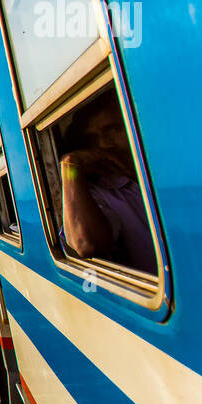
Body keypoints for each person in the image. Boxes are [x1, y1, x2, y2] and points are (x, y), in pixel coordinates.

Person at [58, 94, 156, 273]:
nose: (104, 143)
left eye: (112, 129)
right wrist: (70, 164)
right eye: (93, 138)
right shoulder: (102, 195)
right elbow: (85, 243)